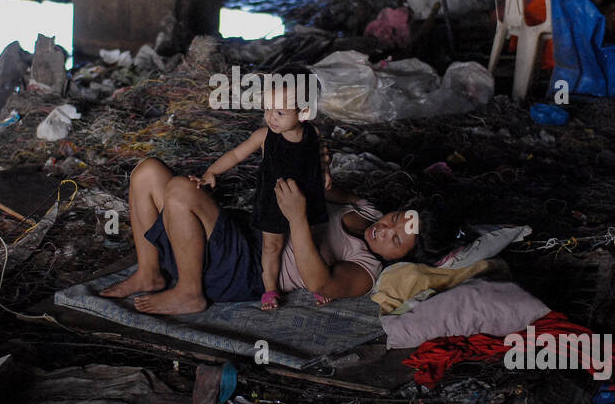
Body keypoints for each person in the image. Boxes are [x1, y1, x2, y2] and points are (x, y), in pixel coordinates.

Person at [97, 157, 430, 316]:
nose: (385, 229)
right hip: (247, 231)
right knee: (147, 172)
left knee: (181, 193)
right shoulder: (368, 210)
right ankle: (150, 273)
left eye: (396, 240)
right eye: (396, 219)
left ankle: (189, 291)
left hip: (245, 270)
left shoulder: (365, 270)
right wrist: (320, 176)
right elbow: (330, 191)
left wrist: (297, 218)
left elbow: (320, 284)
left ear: (397, 258)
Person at [195, 73, 328, 310]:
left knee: (309, 243)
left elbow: (319, 158)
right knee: (272, 246)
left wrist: (325, 173)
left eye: (280, 113)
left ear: (304, 112)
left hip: (308, 199)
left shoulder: (313, 135)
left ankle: (316, 283)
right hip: (272, 201)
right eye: (267, 108)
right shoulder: (265, 136)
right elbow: (236, 154)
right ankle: (270, 289)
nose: (270, 117)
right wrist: (212, 172)